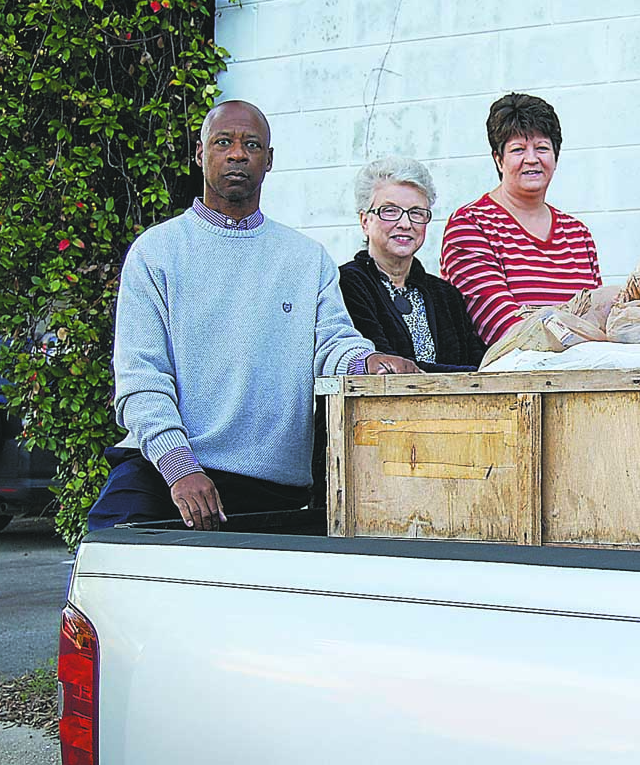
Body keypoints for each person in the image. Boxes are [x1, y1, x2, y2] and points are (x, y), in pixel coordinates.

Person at [87, 100, 419, 533]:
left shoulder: (305, 259)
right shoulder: (157, 252)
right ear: (200, 153)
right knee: (104, 562)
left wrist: (366, 362)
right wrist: (179, 467)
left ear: (269, 160)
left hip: (271, 483)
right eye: (223, 142)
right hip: (166, 472)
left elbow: (331, 344)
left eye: (252, 144)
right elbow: (140, 379)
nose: (238, 153)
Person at [440, 92, 601, 346]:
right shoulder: (470, 225)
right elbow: (504, 329)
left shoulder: (578, 233)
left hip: (583, 374)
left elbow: (600, 317)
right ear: (498, 159)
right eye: (518, 149)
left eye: (542, 148)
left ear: (555, 158)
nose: (532, 159)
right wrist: (584, 334)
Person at [339, 157, 485, 372]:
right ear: (365, 221)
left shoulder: (445, 294)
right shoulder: (347, 283)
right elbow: (387, 367)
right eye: (390, 211)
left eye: (416, 213)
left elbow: (479, 365)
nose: (405, 224)